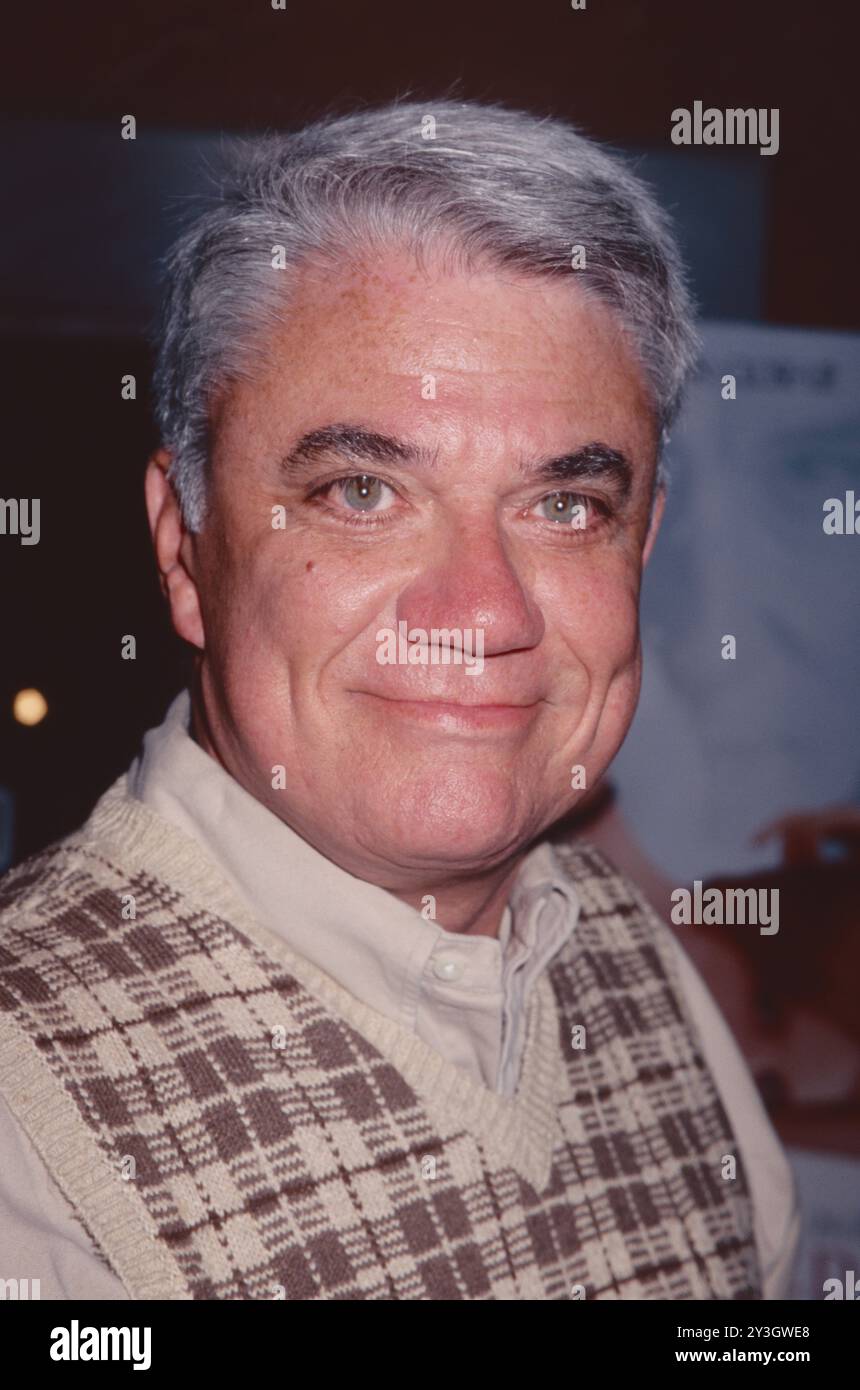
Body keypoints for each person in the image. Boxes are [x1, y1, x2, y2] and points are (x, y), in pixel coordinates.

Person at [0, 98, 798, 1301]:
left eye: (565, 506)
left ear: (642, 548)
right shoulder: (26, 1118)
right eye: (361, 492)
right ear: (184, 549)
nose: (482, 611)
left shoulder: (649, 967)